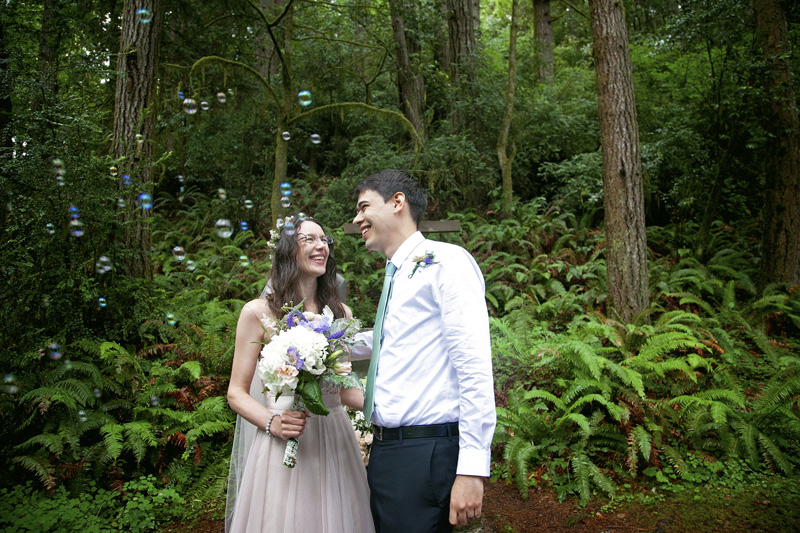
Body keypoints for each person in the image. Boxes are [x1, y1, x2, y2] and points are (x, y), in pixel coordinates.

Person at [352, 170, 496, 532]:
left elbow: (474, 365)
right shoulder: (396, 273)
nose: (356, 220)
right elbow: (389, 338)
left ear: (397, 202)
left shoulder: (447, 262)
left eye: (364, 206)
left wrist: (471, 469)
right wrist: (314, 343)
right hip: (387, 452)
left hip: (426, 452)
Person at [225, 215, 374, 533]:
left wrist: (388, 405)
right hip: (284, 438)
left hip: (333, 437)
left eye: (324, 240)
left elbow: (346, 391)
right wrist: (272, 422)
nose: (321, 245)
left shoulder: (340, 313)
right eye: (309, 239)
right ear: (287, 250)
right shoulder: (257, 313)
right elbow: (236, 392)